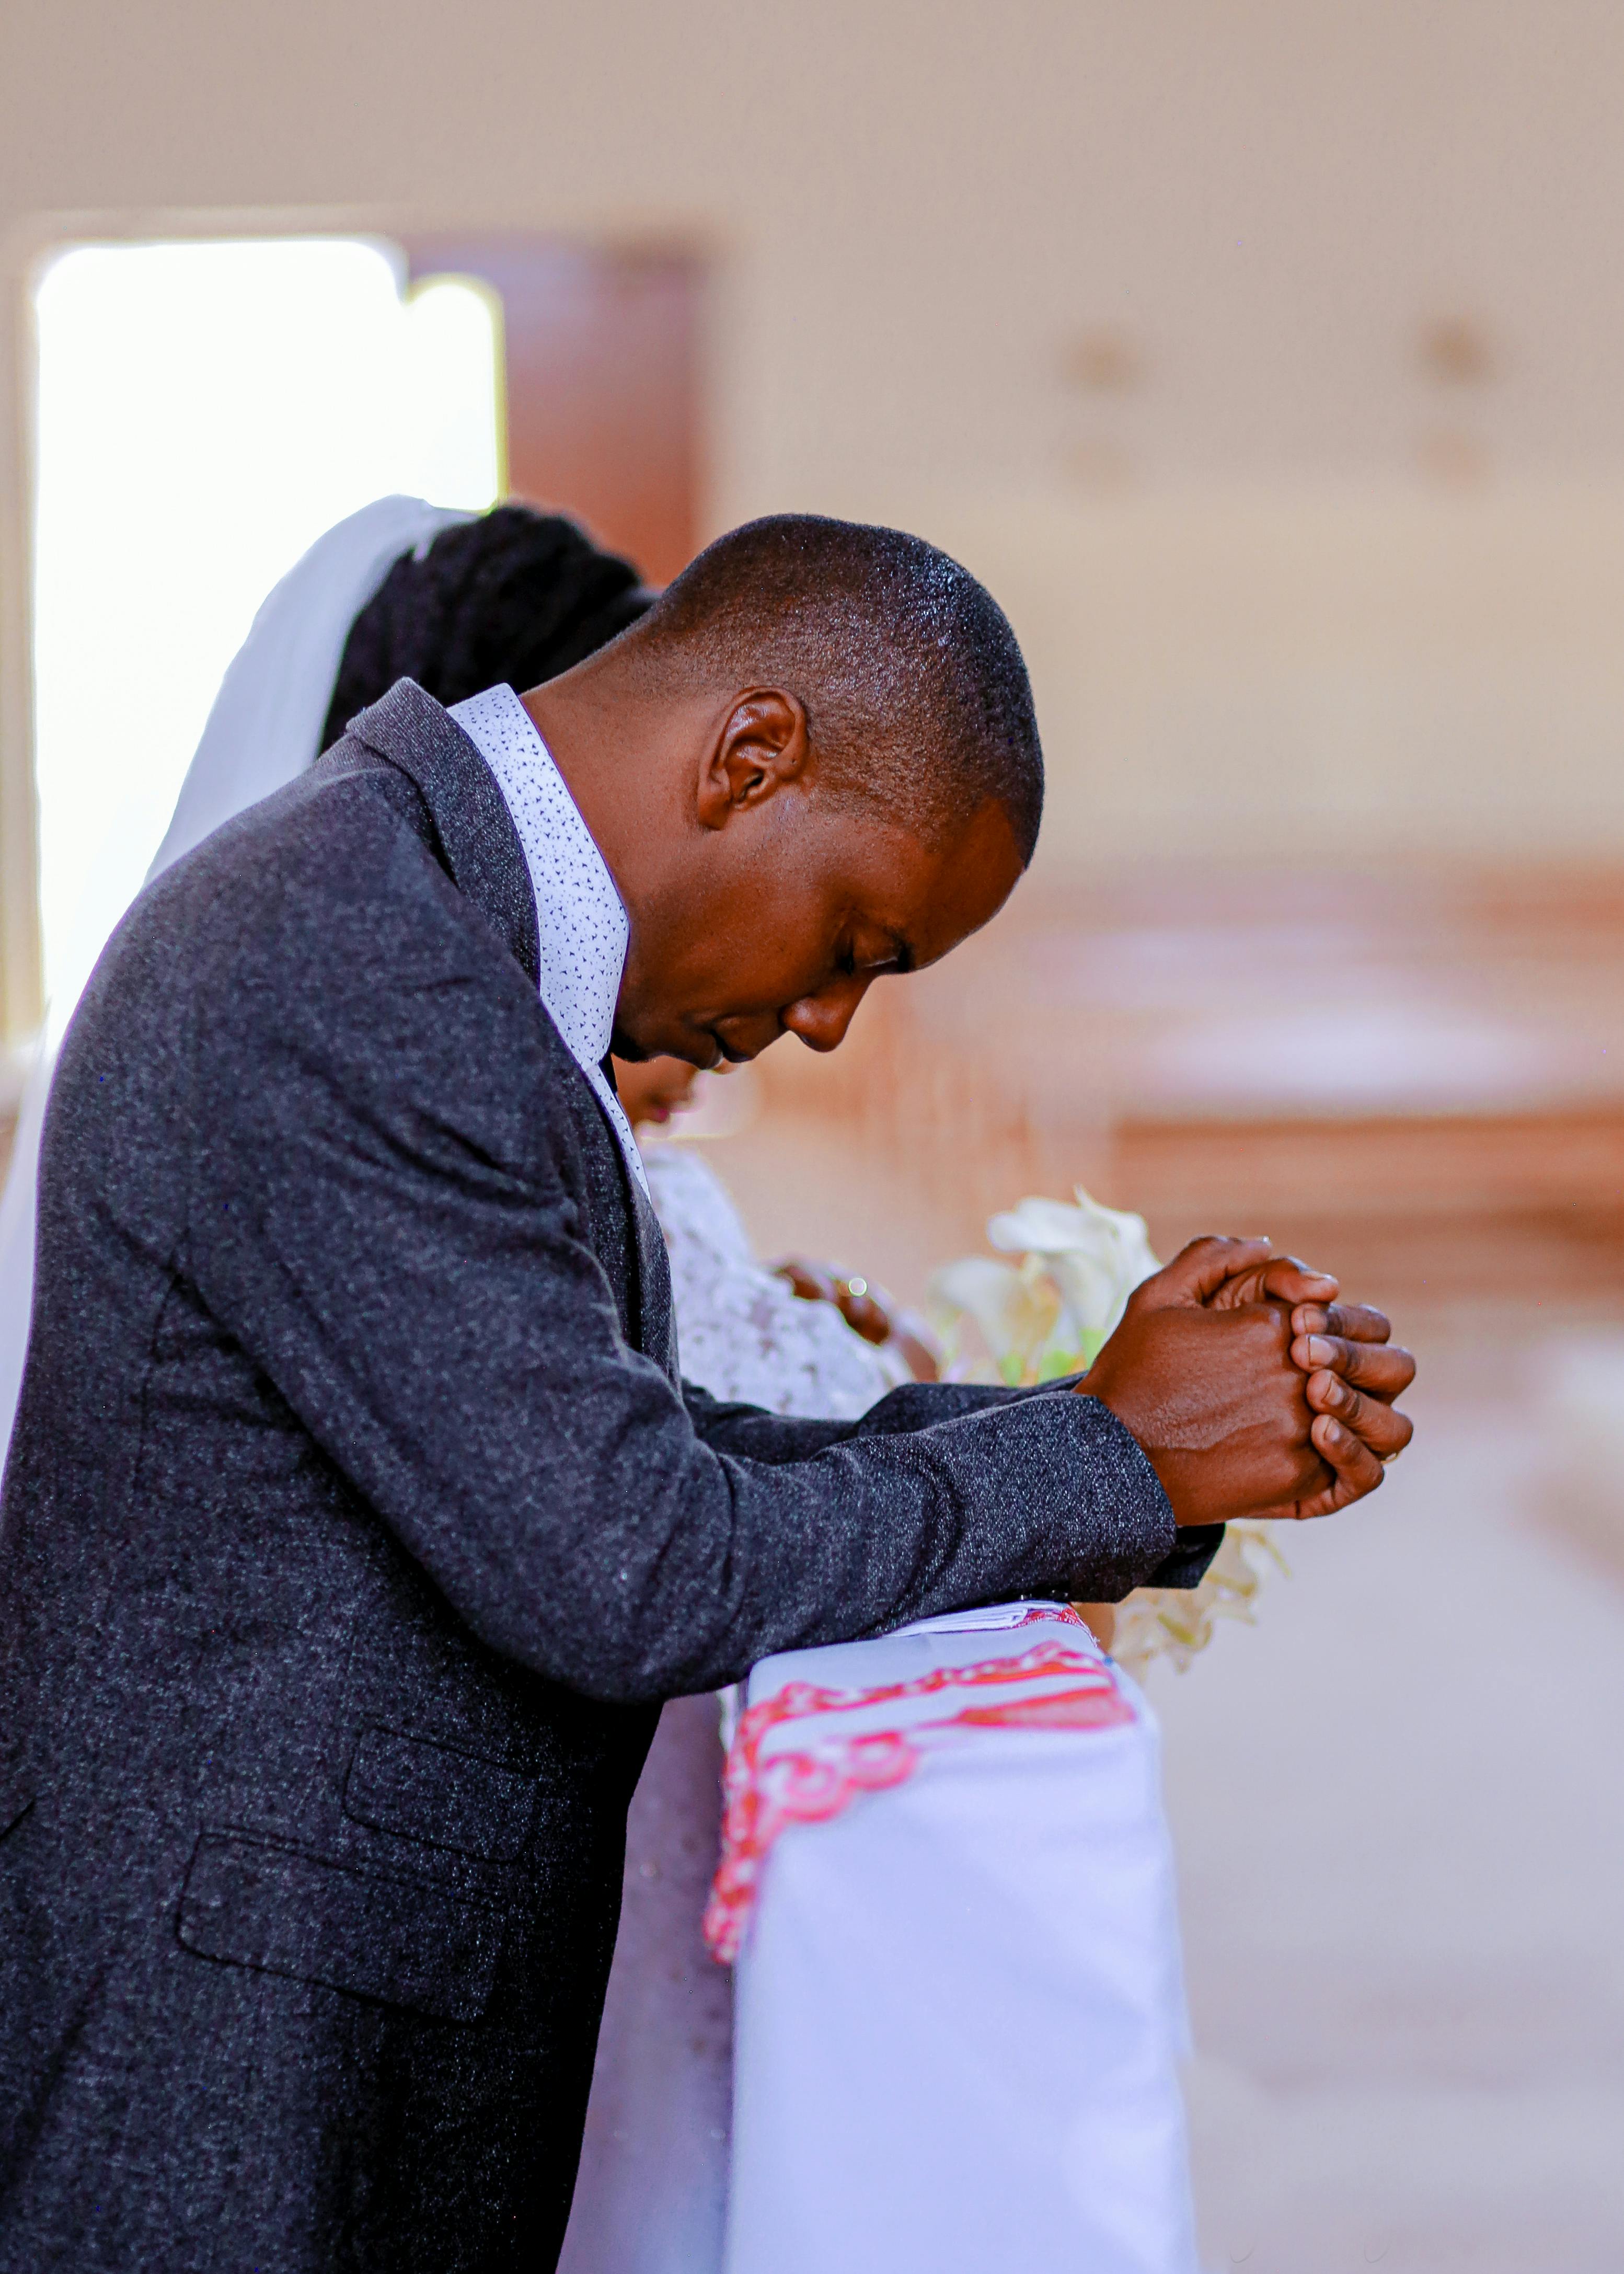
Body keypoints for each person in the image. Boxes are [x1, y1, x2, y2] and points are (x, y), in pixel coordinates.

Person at [0, 507, 1414, 2274]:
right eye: (853, 941)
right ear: (750, 755)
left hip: (310, 2022)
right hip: (233, 2080)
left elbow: (622, 1447)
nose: (829, 1024)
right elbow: (627, 1562)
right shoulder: (349, 953)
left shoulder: (432, 921)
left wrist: (1122, 1440)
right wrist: (1114, 1452)